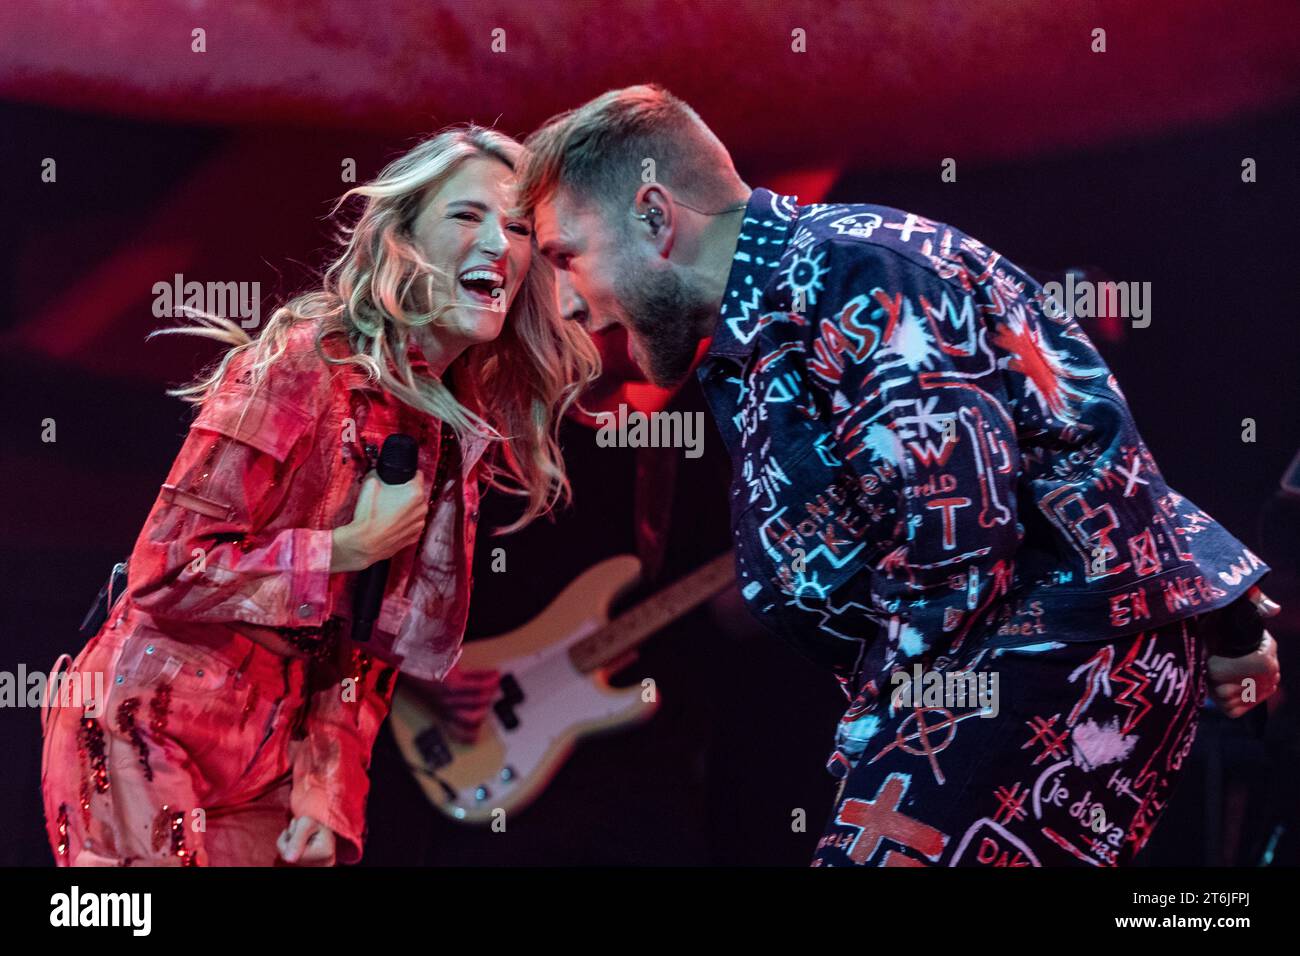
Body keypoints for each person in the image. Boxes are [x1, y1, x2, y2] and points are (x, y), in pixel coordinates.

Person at [515, 84, 1281, 866]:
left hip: (1033, 666)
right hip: (1007, 674)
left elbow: (955, 529)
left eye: (564, 258)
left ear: (654, 216)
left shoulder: (848, 272)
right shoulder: (784, 305)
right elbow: (1070, 443)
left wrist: (880, 732)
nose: (567, 304)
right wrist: (1228, 617)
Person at [38, 125, 598, 866]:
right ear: (402, 238)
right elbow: (166, 570)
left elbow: (369, 642)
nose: (501, 242)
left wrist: (325, 789)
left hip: (271, 756)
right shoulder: (308, 357)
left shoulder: (443, 424)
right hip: (145, 729)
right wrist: (342, 549)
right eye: (469, 216)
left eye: (520, 227)